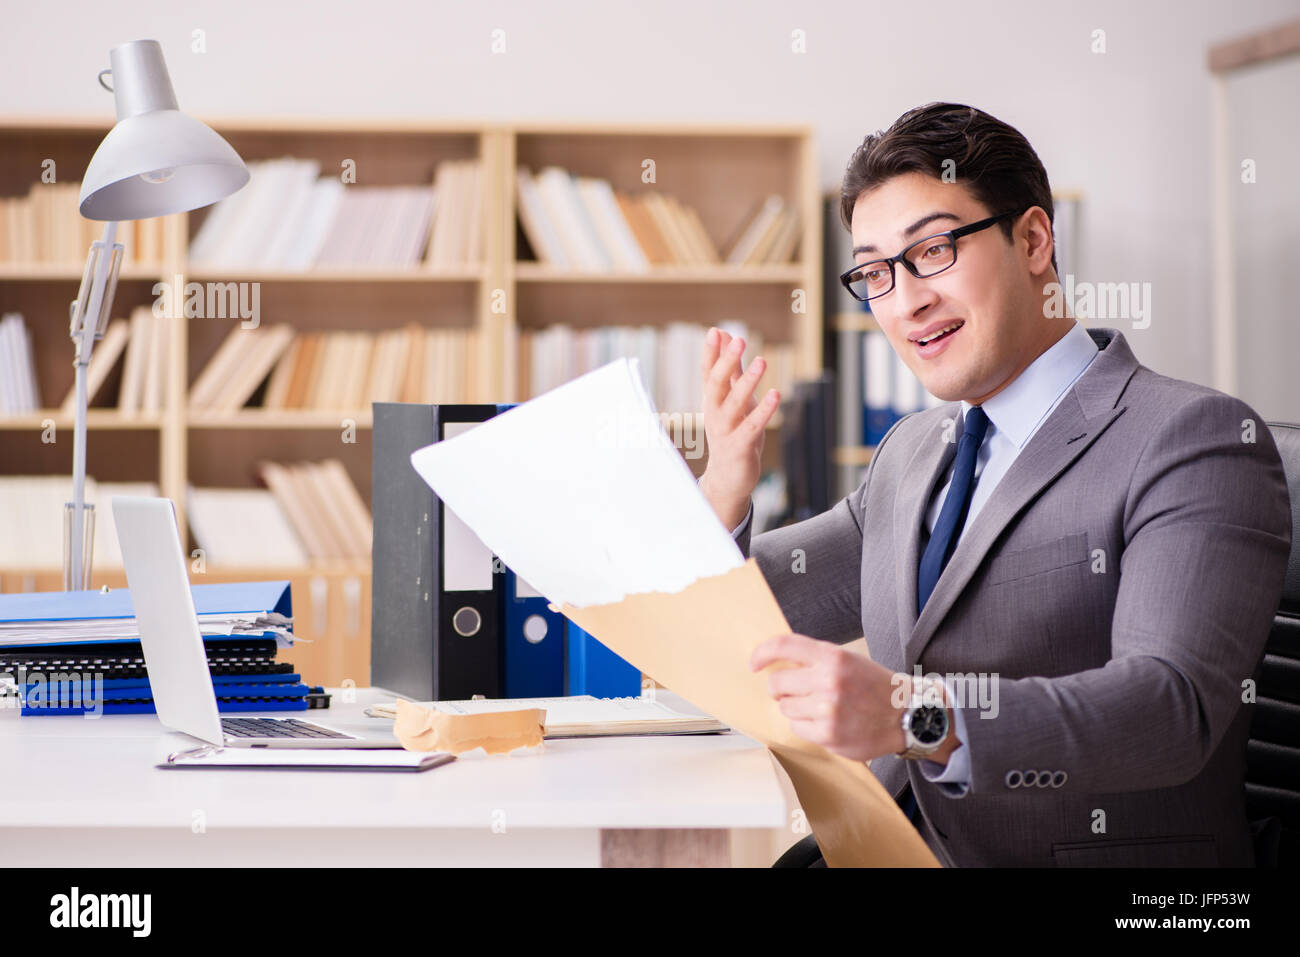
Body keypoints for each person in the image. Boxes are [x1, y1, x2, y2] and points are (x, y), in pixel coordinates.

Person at [696, 102, 1293, 867]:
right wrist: (723, 494)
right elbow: (754, 611)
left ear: (1035, 239)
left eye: (934, 249)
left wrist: (909, 715)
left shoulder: (1191, 438)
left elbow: (1167, 709)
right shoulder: (913, 451)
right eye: (875, 272)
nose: (906, 301)